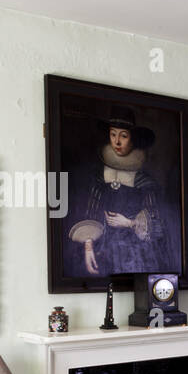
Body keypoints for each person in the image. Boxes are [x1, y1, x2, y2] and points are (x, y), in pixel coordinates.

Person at [66, 106, 173, 278]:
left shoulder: (144, 182)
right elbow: (90, 213)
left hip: (136, 255)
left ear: (133, 139)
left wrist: (129, 223)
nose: (116, 142)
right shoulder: (99, 177)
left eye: (123, 136)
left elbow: (158, 226)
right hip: (104, 250)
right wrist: (88, 247)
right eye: (113, 134)